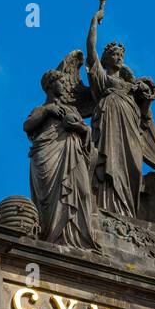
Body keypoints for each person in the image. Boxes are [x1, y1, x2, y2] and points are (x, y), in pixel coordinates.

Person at [83, 0, 155, 217]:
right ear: (106, 58)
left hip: (131, 126)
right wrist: (96, 17)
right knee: (110, 160)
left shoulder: (132, 86)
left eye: (121, 53)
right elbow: (91, 50)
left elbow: (144, 118)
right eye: (114, 53)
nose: (119, 56)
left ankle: (127, 213)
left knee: (131, 166)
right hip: (109, 118)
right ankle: (105, 208)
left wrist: (148, 100)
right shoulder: (103, 79)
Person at [24, 59, 98, 249]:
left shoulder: (72, 110)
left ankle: (79, 237)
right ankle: (53, 236)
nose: (65, 85)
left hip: (73, 153)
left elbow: (86, 132)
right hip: (49, 154)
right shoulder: (41, 109)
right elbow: (27, 126)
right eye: (61, 82)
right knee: (53, 199)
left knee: (82, 191)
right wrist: (48, 111)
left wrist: (80, 128)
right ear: (50, 85)